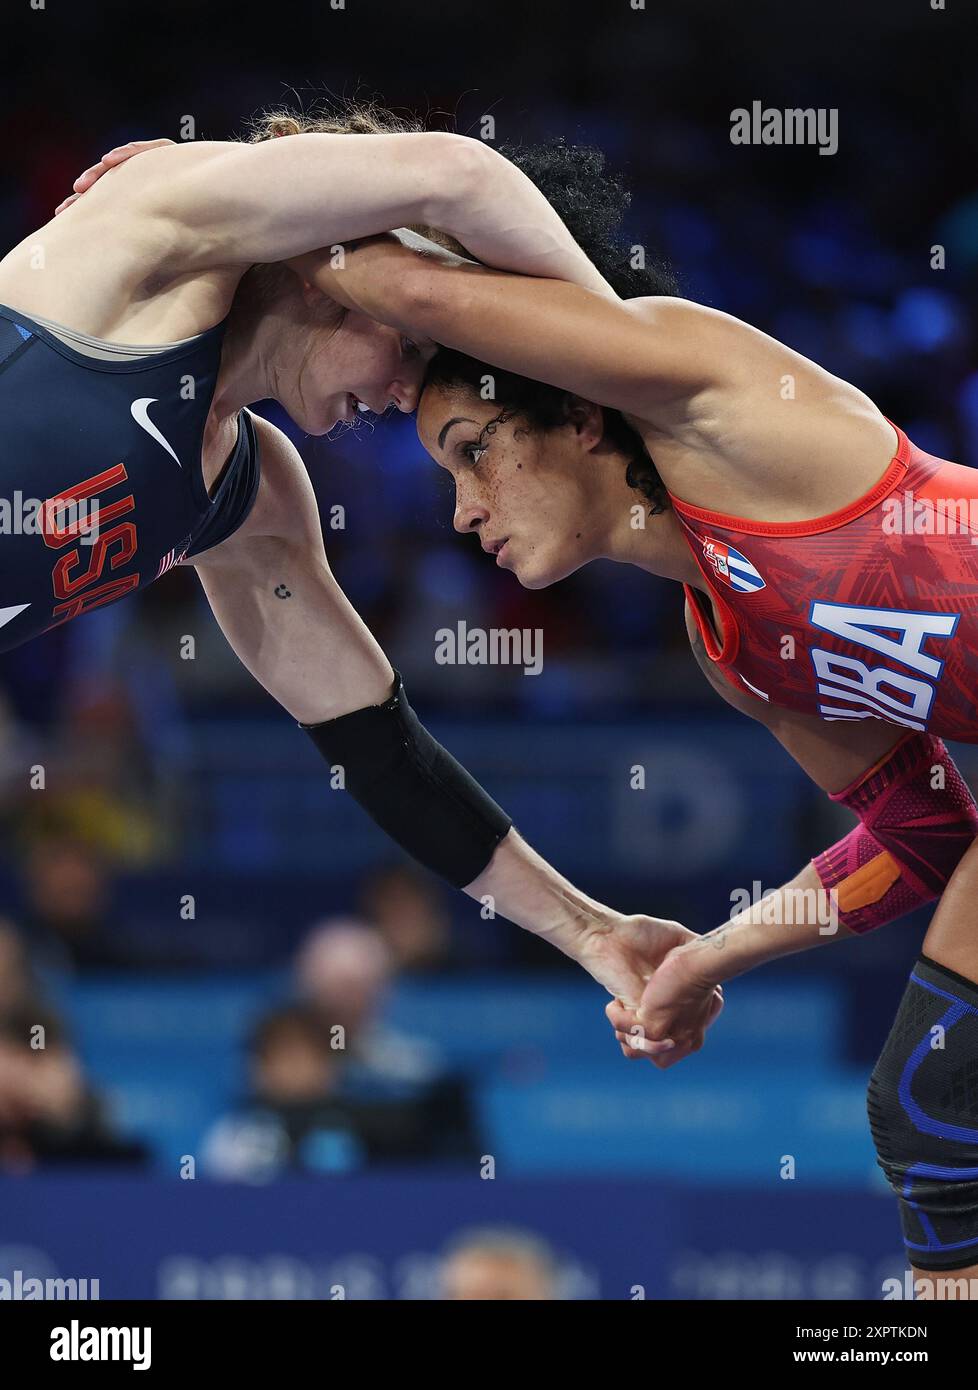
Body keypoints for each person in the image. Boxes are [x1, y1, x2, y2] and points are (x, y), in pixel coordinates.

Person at [261, 147, 978, 1292]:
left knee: (937, 1101)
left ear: (582, 414)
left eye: (473, 451)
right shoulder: (731, 648)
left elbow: (427, 292)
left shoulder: (716, 400)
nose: (461, 510)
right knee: (937, 1108)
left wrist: (217, 231)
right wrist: (711, 954)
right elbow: (928, 830)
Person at [0, 106, 719, 1026]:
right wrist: (626, 380)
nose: (406, 390)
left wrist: (588, 932)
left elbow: (381, 749)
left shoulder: (254, 500)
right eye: (413, 342)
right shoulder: (147, 232)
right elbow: (459, 174)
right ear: (341, 266)